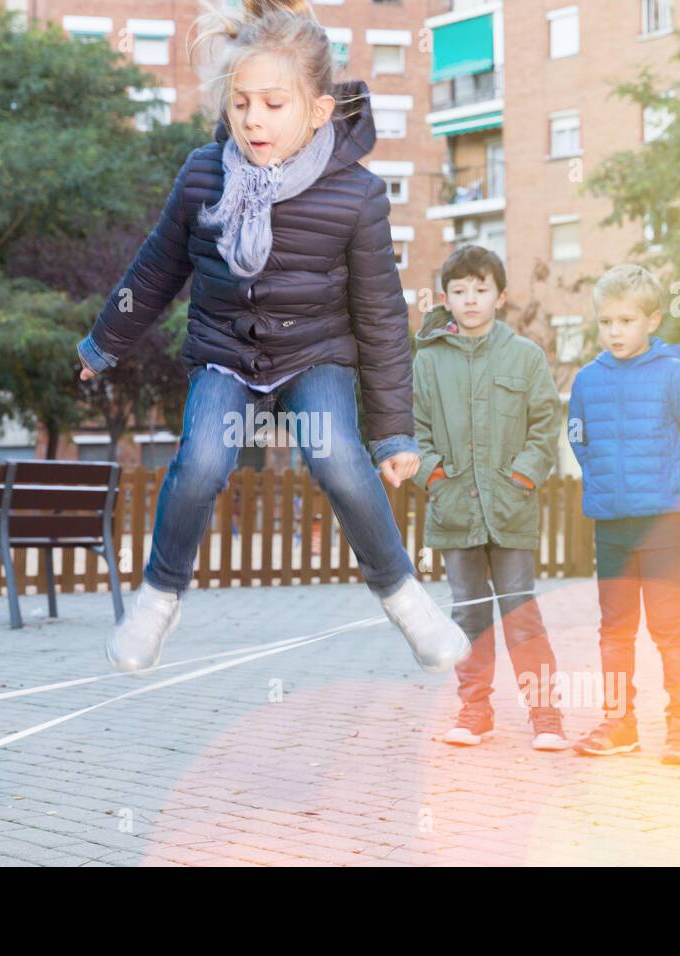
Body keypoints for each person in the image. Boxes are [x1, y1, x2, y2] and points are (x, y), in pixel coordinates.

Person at [78, 0, 470, 676]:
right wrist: (103, 342)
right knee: (200, 461)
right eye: (240, 103)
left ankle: (406, 598)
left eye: (272, 104)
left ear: (318, 112)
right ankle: (157, 600)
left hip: (316, 356)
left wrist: (396, 434)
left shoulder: (357, 196)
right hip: (226, 355)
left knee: (339, 460)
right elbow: (158, 267)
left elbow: (380, 316)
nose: (253, 119)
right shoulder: (205, 173)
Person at [413, 245, 569, 751]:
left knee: (521, 612)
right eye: (459, 291)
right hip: (454, 512)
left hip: (511, 511)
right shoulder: (428, 361)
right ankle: (475, 710)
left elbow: (545, 426)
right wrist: (435, 478)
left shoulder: (523, 356)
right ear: (446, 297)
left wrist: (522, 479)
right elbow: (412, 431)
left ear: (500, 296)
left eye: (481, 290)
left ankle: (545, 716)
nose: (470, 299)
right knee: (469, 614)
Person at [566, 265, 680, 764]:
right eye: (606, 321)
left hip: (666, 523)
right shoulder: (587, 380)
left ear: (652, 320)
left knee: (669, 626)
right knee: (615, 628)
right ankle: (618, 722)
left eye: (626, 321)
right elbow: (579, 439)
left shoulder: (676, 375)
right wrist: (607, 485)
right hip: (611, 524)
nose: (614, 331)